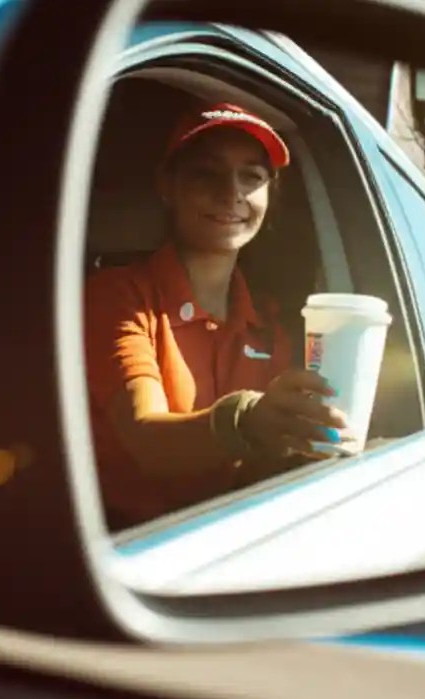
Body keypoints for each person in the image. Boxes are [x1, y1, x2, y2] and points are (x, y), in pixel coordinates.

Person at [84, 102, 349, 530]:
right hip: (121, 543)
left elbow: (248, 480)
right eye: (206, 173)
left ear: (270, 195)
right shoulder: (119, 296)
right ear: (166, 186)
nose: (232, 192)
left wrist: (293, 446)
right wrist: (248, 420)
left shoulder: (270, 328)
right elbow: (145, 439)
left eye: (252, 176)